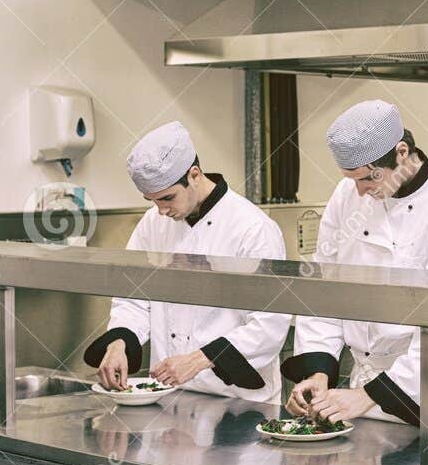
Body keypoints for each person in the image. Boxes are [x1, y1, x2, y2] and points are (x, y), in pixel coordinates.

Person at [282, 100, 428, 428]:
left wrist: (371, 395)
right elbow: (324, 286)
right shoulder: (347, 195)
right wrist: (318, 372)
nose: (361, 191)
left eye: (368, 178)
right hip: (357, 392)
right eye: (351, 179)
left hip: (427, 400)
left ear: (402, 152)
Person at [83, 121, 290, 401]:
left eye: (168, 197)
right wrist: (119, 342)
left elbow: (269, 323)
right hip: (170, 394)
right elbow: (133, 296)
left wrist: (199, 359)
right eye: (152, 200)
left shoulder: (252, 228)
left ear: (194, 174)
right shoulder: (152, 224)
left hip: (236, 399)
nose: (162, 210)